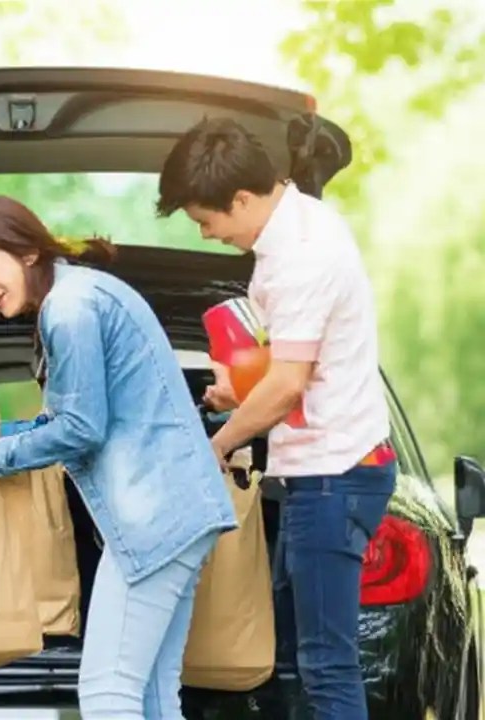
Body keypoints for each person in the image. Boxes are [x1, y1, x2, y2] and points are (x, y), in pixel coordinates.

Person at [0, 195, 236, 720]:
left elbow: (79, 430)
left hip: (152, 516)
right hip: (184, 510)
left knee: (106, 694)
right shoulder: (84, 293)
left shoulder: (68, 309)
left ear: (24, 251)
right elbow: (73, 419)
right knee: (156, 697)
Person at [156, 117, 395, 720]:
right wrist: (237, 396)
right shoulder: (299, 228)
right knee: (297, 658)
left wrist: (220, 443)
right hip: (322, 469)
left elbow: (288, 386)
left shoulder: (303, 256)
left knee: (325, 665)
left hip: (333, 475)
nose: (208, 236)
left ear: (240, 199)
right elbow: (294, 372)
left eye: (206, 222)